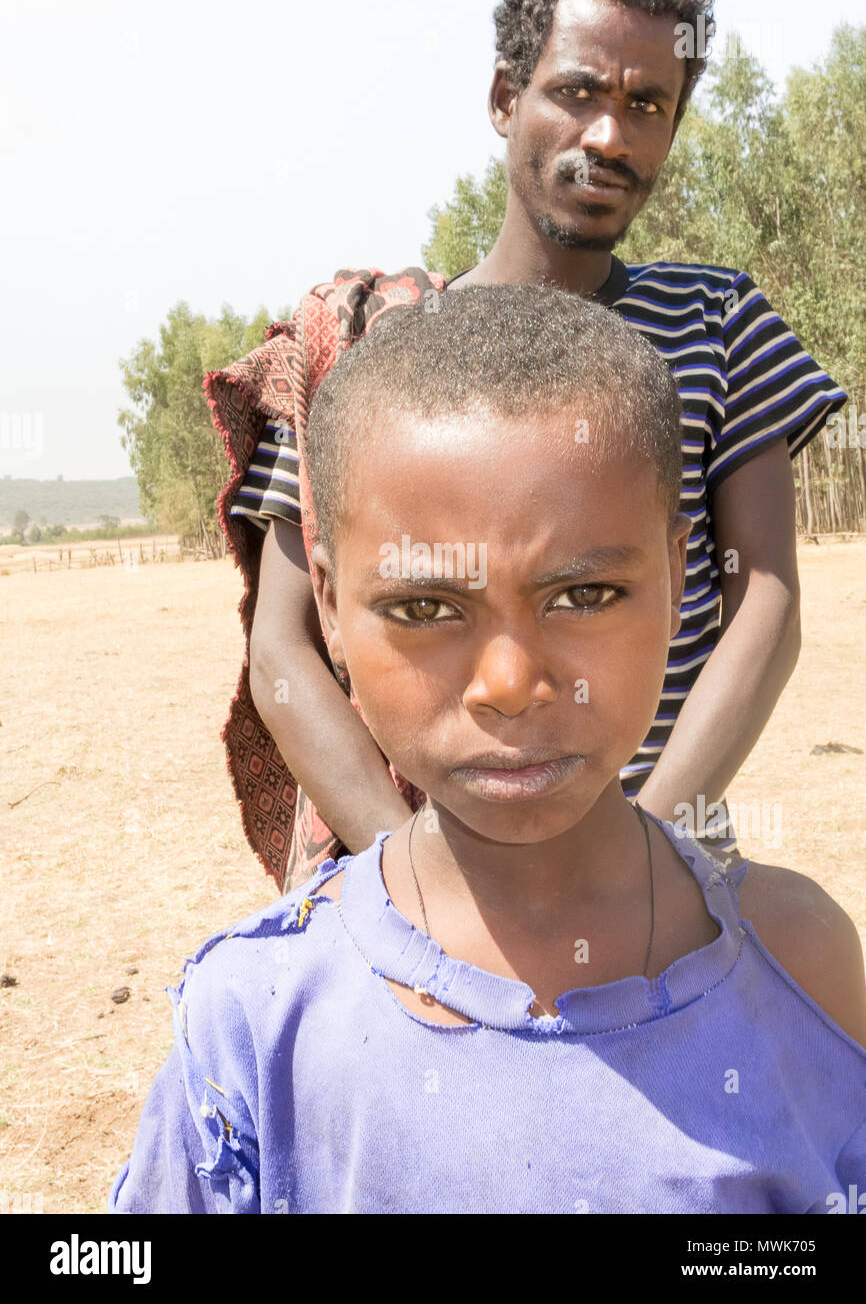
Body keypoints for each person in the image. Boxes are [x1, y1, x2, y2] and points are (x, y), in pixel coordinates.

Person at [113, 287, 866, 1214]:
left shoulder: (797, 969)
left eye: (583, 594)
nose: (509, 682)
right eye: (426, 609)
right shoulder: (258, 1021)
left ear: (675, 577)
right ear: (333, 606)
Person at [206, 0, 846, 892]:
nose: (608, 135)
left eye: (647, 105)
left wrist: (647, 858)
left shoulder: (718, 327)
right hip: (413, 879)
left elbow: (766, 597)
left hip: (660, 881)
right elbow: (282, 647)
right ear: (506, 98)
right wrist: (416, 889)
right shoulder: (363, 338)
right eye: (577, 92)